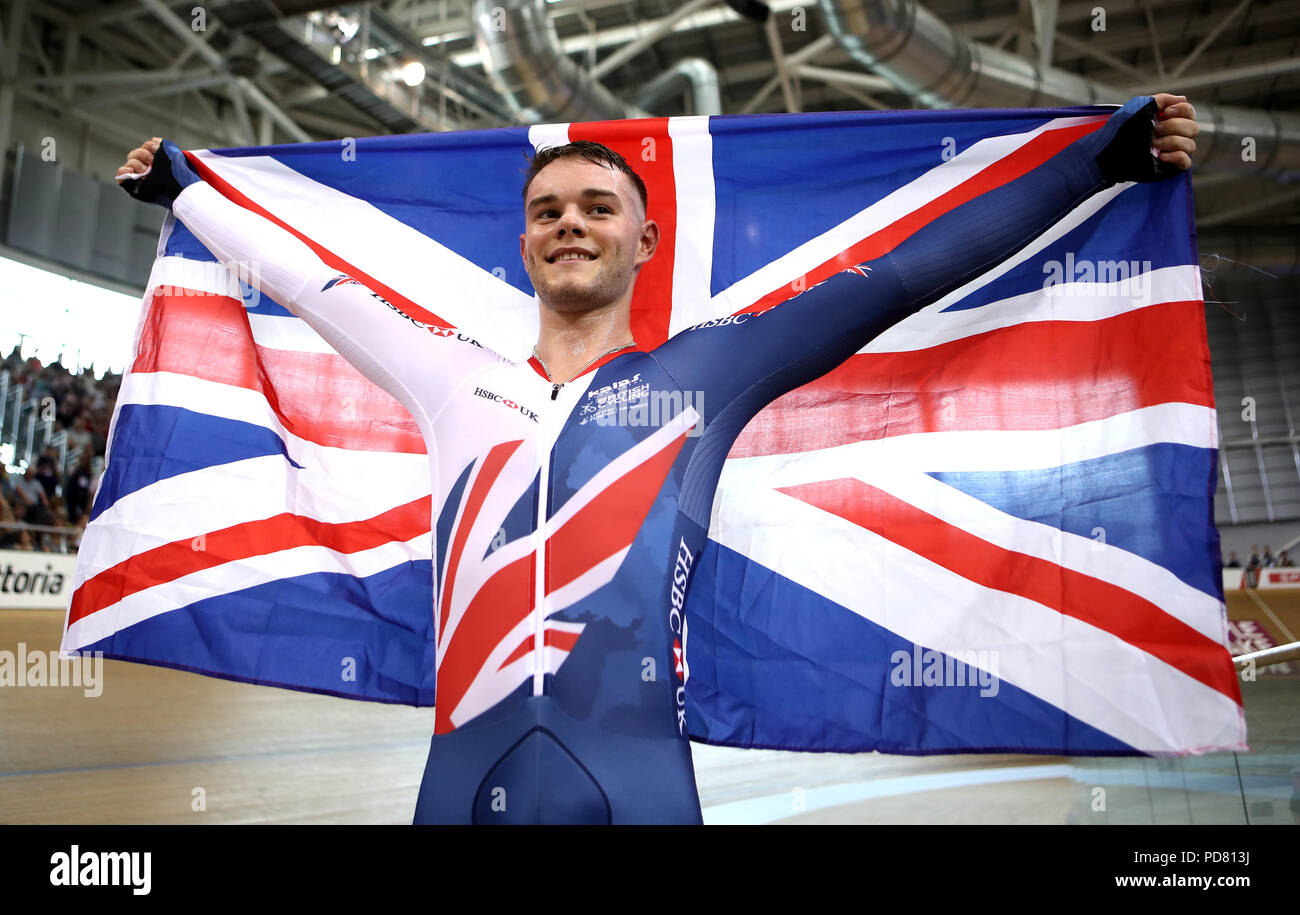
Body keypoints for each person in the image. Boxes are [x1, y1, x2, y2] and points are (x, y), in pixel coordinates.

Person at [116, 92, 1200, 824]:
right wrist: (186, 189)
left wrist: (1097, 165)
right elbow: (303, 275)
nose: (568, 224)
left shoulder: (704, 378)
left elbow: (897, 279)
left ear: (644, 241)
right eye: (546, 212)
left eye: (597, 207)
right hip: (459, 781)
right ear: (524, 242)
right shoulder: (448, 374)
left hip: (633, 784)